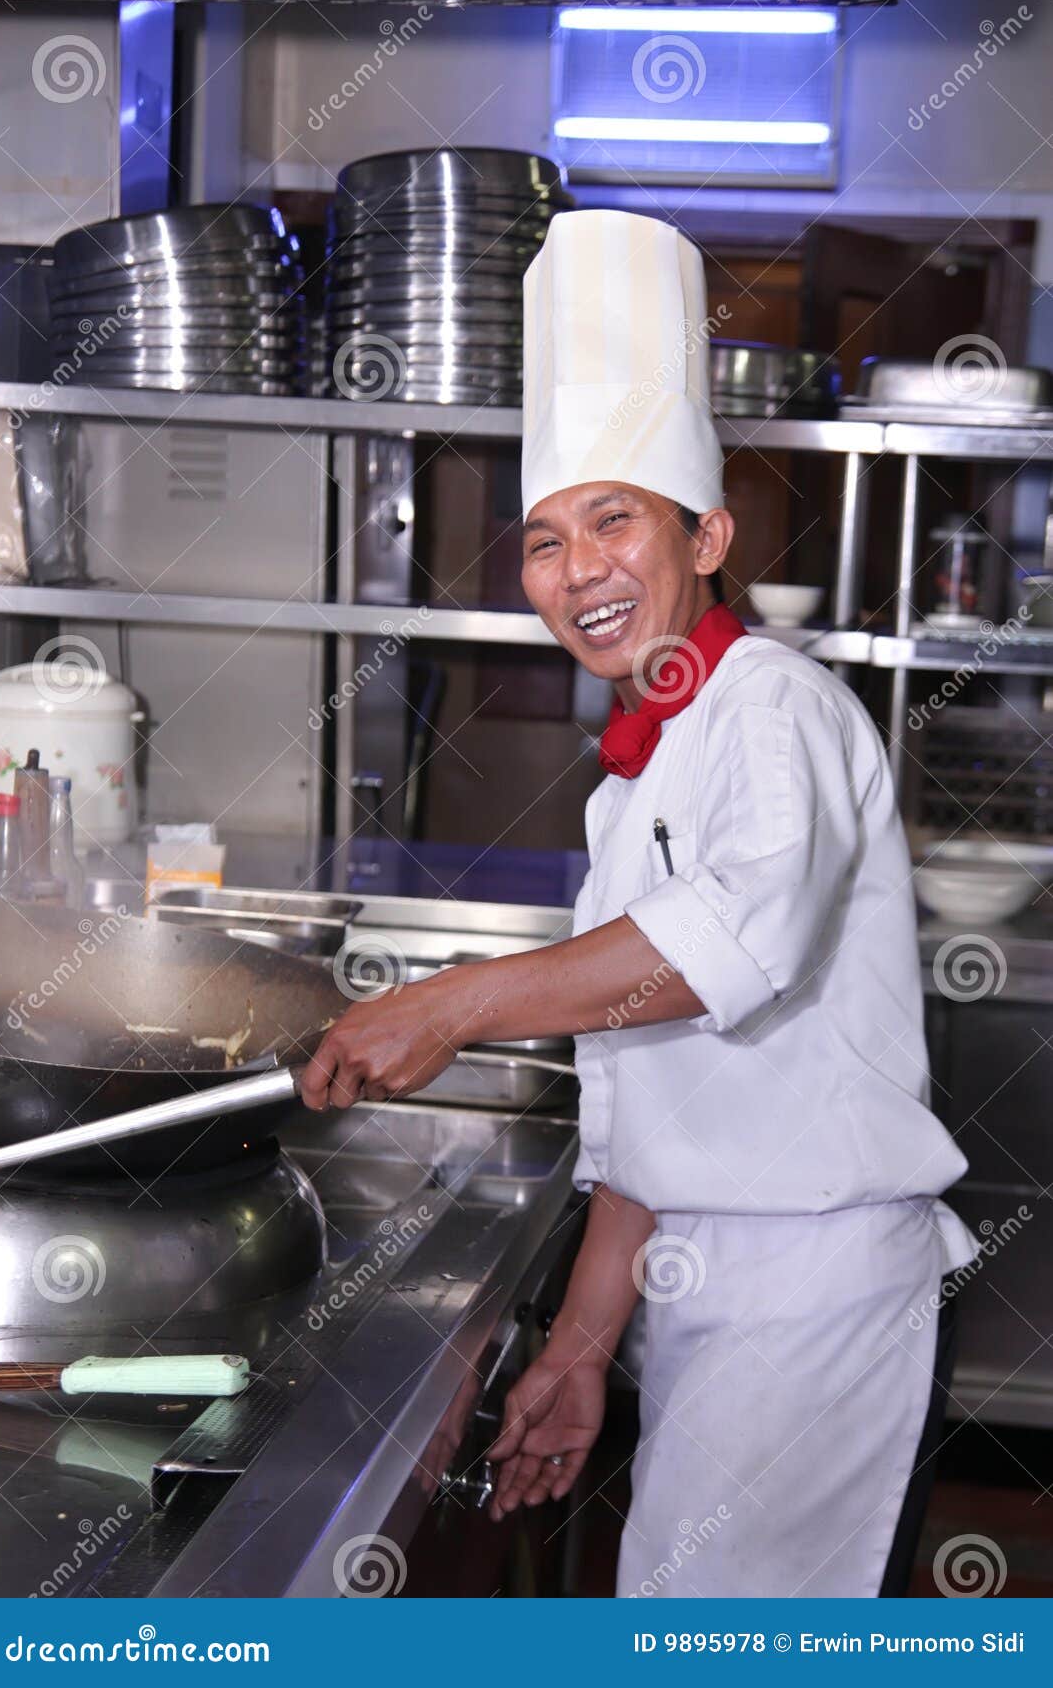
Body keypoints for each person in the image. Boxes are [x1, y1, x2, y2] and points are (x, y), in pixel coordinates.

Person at [301, 208, 978, 1597]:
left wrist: (454, 1003)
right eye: (546, 537)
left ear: (711, 531)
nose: (579, 568)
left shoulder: (776, 710)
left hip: (813, 1292)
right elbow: (654, 1082)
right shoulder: (639, 775)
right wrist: (583, 1341)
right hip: (713, 1290)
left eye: (615, 518)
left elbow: (729, 944)